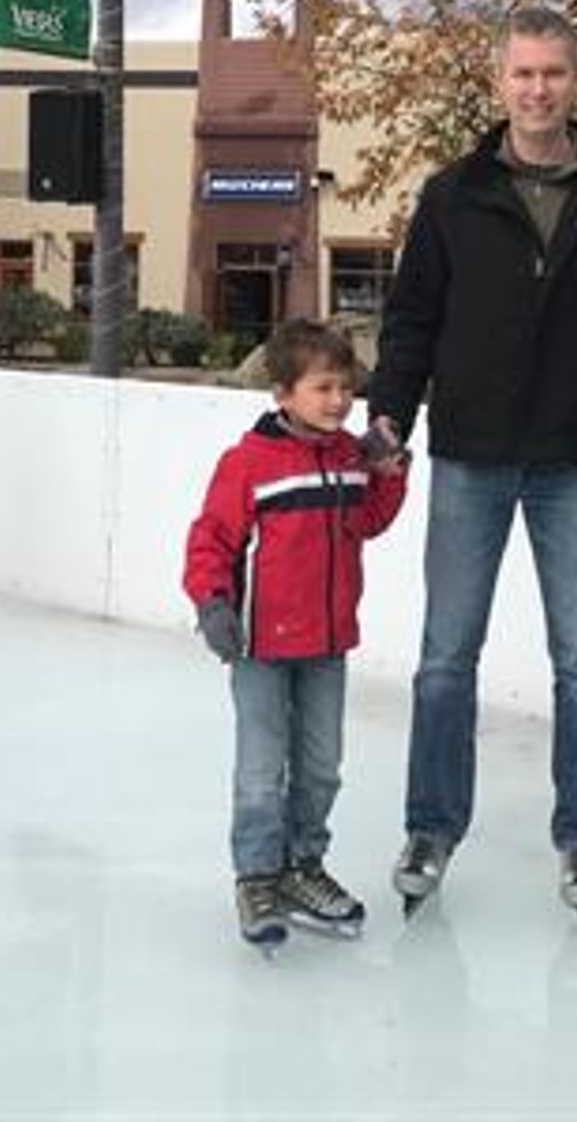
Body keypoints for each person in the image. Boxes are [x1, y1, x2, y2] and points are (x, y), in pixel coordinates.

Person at [365, 4, 577, 923]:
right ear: (499, 81)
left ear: (576, 80)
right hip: (473, 455)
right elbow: (412, 318)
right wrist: (389, 415)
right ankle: (430, 826)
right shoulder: (453, 194)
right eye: (524, 73)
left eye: (554, 73)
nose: (539, 89)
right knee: (445, 657)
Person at [183, 318, 410, 948]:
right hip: (259, 646)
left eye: (346, 388)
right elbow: (210, 540)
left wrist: (388, 472)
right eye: (323, 388)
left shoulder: (349, 457)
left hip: (327, 645)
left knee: (321, 768)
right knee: (262, 772)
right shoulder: (248, 463)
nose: (339, 401)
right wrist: (212, 604)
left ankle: (302, 866)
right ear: (283, 394)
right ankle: (258, 876)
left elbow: (368, 522)